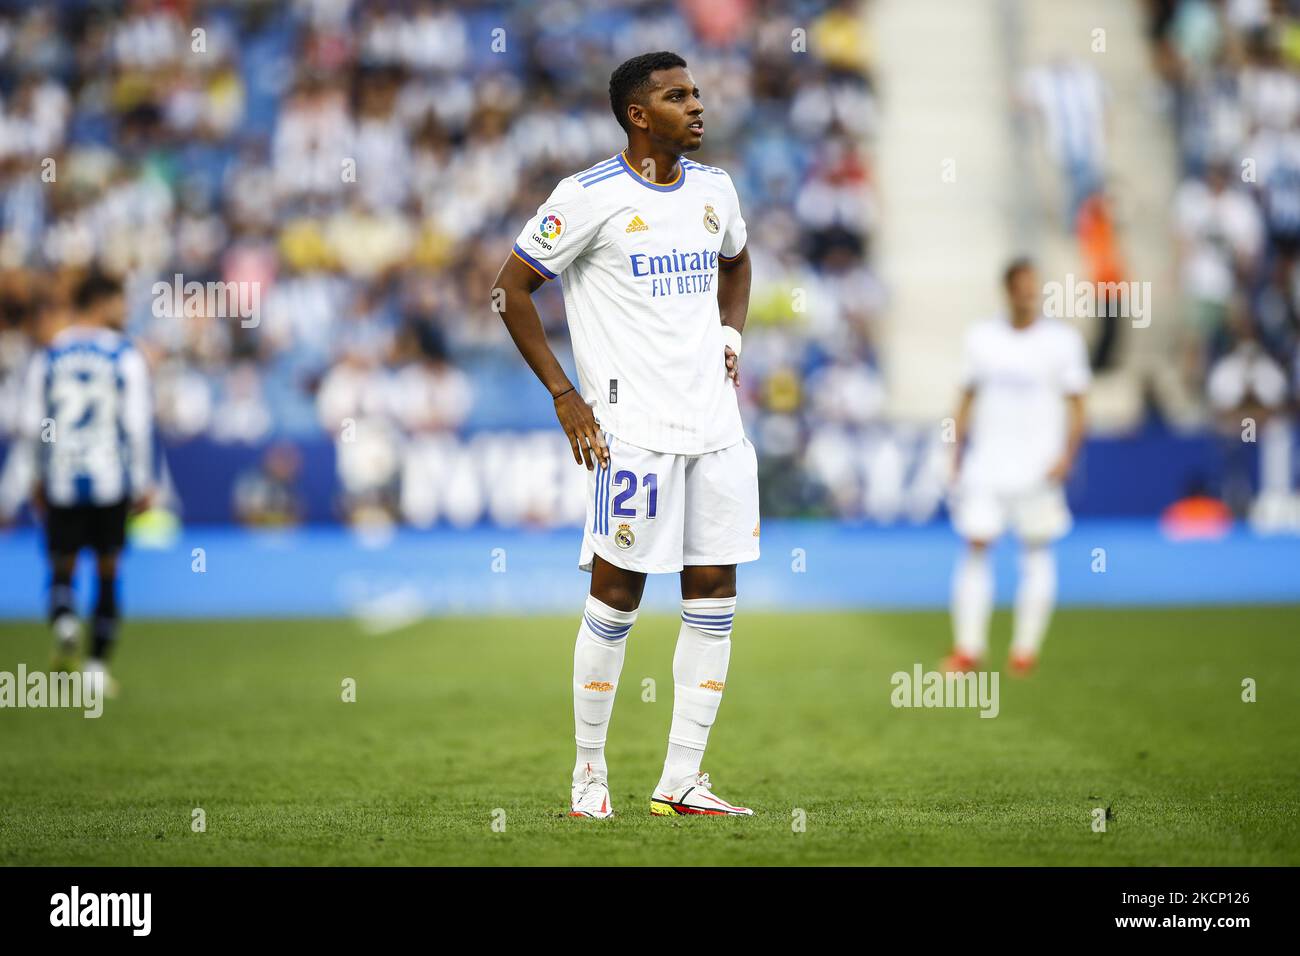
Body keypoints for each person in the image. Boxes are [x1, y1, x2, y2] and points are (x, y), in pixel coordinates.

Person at [494, 52, 759, 817]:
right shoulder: (586, 197)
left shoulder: (716, 190)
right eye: (679, 97)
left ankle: (682, 778)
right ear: (640, 115)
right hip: (632, 435)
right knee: (618, 594)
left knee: (714, 592)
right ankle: (587, 775)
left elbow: (737, 264)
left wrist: (730, 338)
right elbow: (509, 292)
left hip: (716, 428)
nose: (698, 106)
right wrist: (563, 396)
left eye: (699, 93)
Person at [945, 258, 1089, 677]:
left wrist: (1068, 455)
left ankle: (1025, 650)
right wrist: (953, 452)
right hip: (986, 465)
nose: (1030, 293)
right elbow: (965, 399)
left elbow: (1079, 404)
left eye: (1034, 286)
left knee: (1036, 549)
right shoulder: (982, 338)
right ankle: (969, 649)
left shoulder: (1062, 342)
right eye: (1022, 286)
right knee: (975, 545)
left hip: (1038, 468)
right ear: (1007, 290)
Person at [21, 271, 153, 691]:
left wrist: (37, 473)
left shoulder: (49, 355)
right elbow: (136, 425)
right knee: (108, 569)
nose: (126, 310)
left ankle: (63, 622)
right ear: (102, 302)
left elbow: (30, 423)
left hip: (61, 474)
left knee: (62, 565)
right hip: (109, 476)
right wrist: (144, 480)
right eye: (120, 301)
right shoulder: (124, 356)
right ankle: (96, 668)